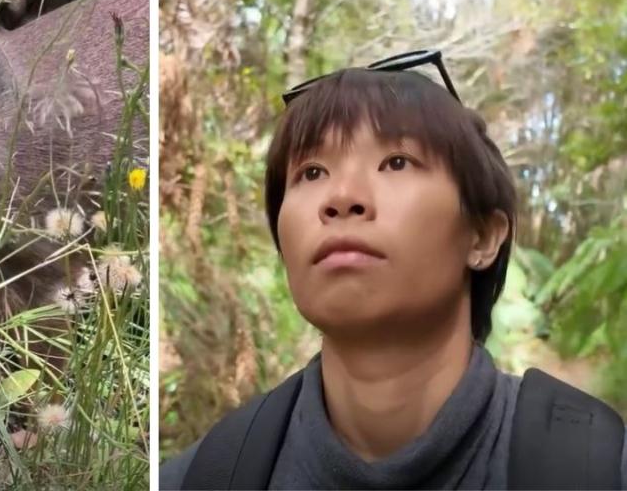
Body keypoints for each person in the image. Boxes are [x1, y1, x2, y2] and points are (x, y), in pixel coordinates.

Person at [159, 51, 627, 490]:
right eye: (312, 172)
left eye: (396, 162)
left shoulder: (594, 467)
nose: (341, 196)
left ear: (482, 236)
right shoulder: (207, 474)